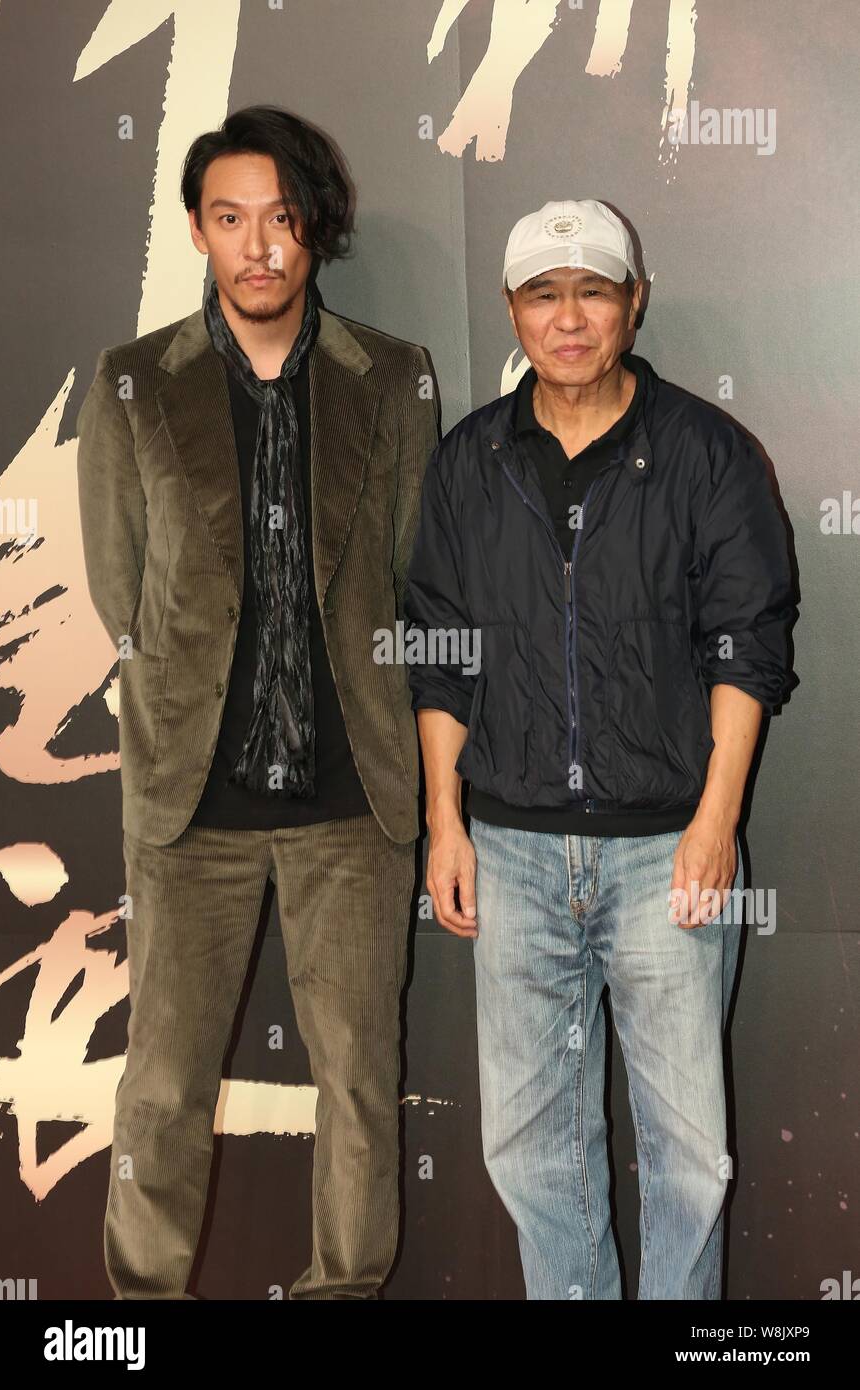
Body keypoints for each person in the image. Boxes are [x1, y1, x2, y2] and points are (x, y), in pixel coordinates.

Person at [404, 198, 798, 1299]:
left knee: (686, 1157)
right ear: (511, 309)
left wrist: (714, 825)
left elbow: (746, 647)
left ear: (633, 301)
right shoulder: (467, 463)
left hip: (666, 850)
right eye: (542, 293)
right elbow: (439, 653)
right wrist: (445, 821)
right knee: (528, 1151)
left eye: (591, 290)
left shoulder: (706, 455)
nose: (566, 318)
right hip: (512, 851)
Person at [76, 105, 438, 1300]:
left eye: (281, 219)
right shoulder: (132, 385)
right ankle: (137, 1311)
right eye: (230, 219)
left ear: (313, 231)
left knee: (356, 1086)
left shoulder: (391, 377)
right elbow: (123, 587)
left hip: (354, 803)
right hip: (190, 807)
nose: (258, 247)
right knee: (162, 1089)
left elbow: (408, 576)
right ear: (196, 231)